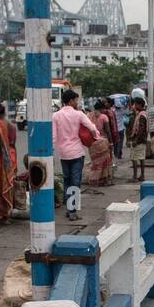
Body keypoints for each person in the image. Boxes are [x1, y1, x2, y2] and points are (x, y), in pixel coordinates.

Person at [52, 89, 98, 220]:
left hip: (64, 154)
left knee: (67, 180)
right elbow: (93, 128)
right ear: (71, 100)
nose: (77, 102)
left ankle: (69, 207)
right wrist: (95, 137)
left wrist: (51, 152)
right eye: (76, 100)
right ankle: (72, 210)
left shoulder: (55, 116)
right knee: (76, 181)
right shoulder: (79, 114)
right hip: (77, 152)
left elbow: (53, 137)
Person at [86, 98, 115, 186]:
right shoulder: (103, 117)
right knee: (106, 161)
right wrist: (111, 143)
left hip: (92, 142)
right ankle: (104, 180)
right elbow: (108, 131)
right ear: (101, 109)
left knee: (95, 162)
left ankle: (94, 179)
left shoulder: (88, 115)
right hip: (103, 142)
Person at [125, 96, 149, 182]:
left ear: (139, 105)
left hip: (139, 140)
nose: (134, 106)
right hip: (143, 140)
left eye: (135, 104)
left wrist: (135, 140)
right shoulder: (143, 114)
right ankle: (142, 175)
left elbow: (141, 129)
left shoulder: (141, 116)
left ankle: (134, 177)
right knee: (142, 158)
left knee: (134, 158)